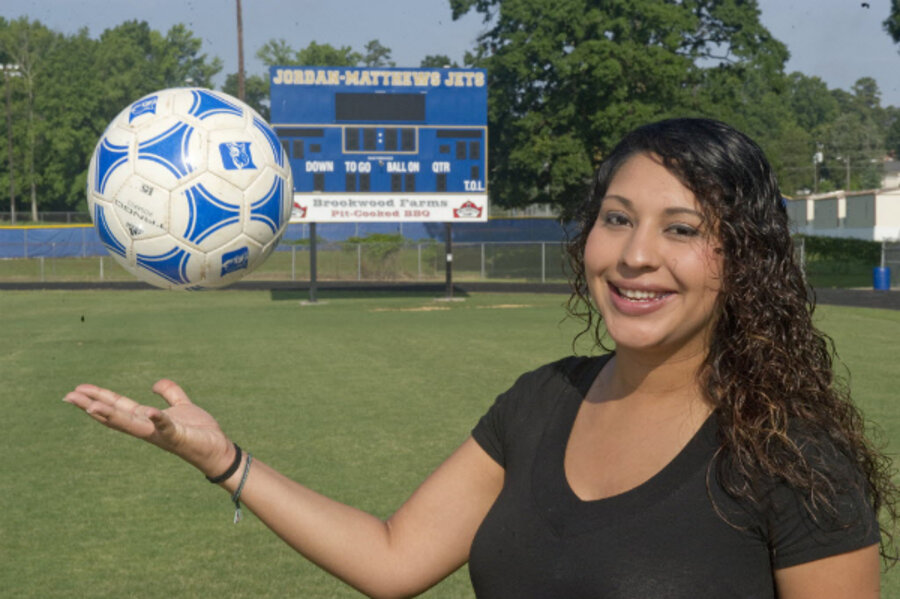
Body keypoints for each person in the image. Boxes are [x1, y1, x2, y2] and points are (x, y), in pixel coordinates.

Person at [64, 118, 896, 598]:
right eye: (616, 218)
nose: (637, 255)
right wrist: (226, 461)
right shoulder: (538, 404)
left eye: (681, 228)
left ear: (741, 257)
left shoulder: (790, 459)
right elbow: (394, 556)